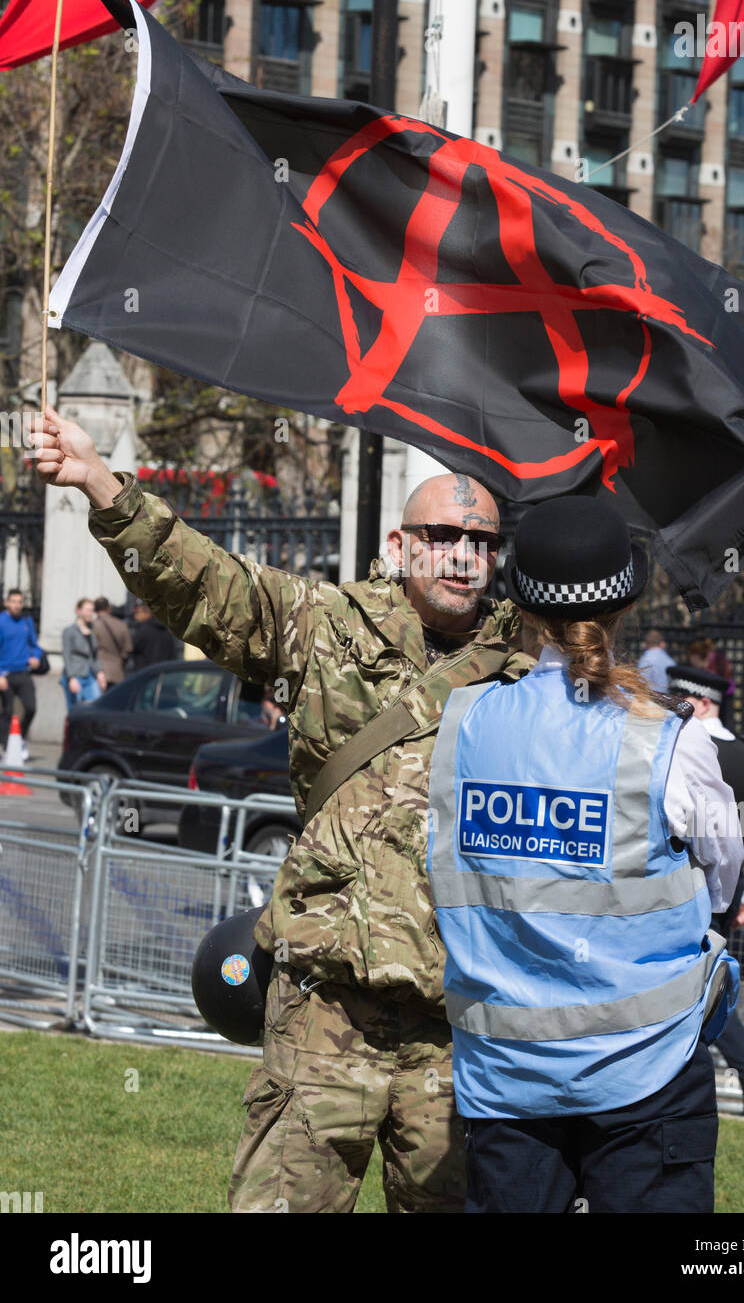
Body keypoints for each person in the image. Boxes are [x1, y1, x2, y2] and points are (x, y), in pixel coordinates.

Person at [30, 401, 532, 1214]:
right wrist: (97, 479)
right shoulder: (326, 627)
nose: (464, 556)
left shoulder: (528, 669)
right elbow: (206, 582)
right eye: (445, 536)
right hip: (324, 1009)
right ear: (402, 546)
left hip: (458, 1027)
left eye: (482, 542)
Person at [427, 496, 743, 1214]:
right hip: (645, 1072)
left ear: (522, 604)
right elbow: (723, 880)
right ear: (628, 601)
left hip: (504, 1077)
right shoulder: (669, 738)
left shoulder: (463, 724)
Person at [665, 662, 744, 1117]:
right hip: (726, 890)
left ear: (700, 703)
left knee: (692, 992)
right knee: (705, 988)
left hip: (680, 885)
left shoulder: (673, 741)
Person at [0, 587, 44, 759]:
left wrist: (36, 657)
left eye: (20, 602)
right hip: (6, 674)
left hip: (24, 673)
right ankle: (7, 746)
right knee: (8, 712)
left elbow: (35, 645)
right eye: (14, 602)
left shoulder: (27, 622)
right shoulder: (2, 621)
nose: (17, 605)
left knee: (31, 708)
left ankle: (18, 739)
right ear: (7, 603)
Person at [60, 598, 106, 709]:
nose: (90, 613)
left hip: (90, 675)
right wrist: (71, 678)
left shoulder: (92, 630)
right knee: (75, 710)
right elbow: (66, 655)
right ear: (78, 611)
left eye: (92, 610)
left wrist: (100, 672)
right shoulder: (69, 631)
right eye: (87, 610)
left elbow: (94, 655)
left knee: (96, 707)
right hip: (75, 675)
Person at [93, 596, 134, 687]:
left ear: (95, 609)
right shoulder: (122, 625)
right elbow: (128, 649)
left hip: (98, 673)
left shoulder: (92, 626)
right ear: (108, 608)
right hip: (118, 672)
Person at [128, 601, 179, 672]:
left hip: (145, 673)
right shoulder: (166, 630)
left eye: (137, 613)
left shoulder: (143, 630)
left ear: (147, 613)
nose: (135, 616)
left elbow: (130, 647)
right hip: (164, 672)